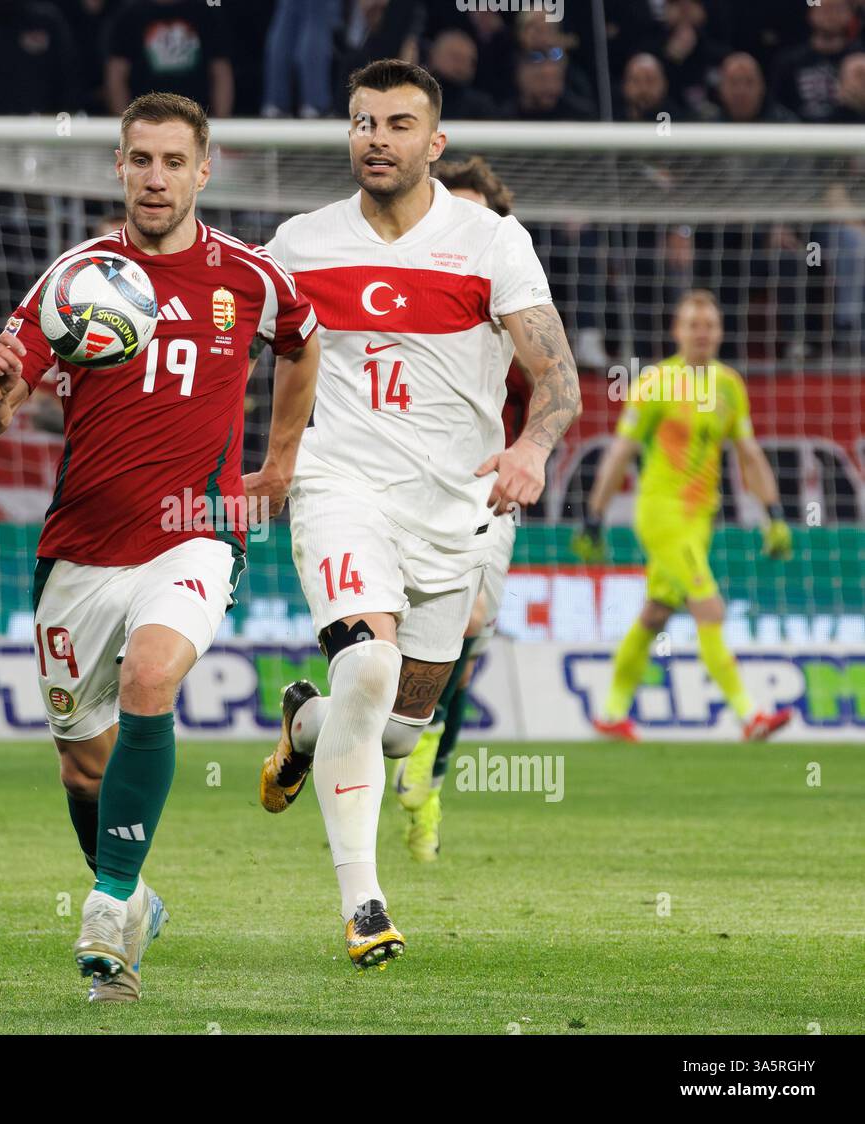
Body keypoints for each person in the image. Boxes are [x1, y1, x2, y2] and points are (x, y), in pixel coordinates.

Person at [0, 93, 319, 1002]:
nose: (156, 178)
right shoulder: (75, 278)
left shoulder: (251, 278)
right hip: (81, 546)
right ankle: (135, 897)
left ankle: (105, 909)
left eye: (173, 161)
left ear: (204, 170)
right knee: (82, 764)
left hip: (195, 532)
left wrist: (279, 464)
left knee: (151, 678)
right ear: (118, 167)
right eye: (140, 160)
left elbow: (302, 343)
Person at [256, 59, 581, 968]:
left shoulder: (492, 243)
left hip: (454, 511)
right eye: (364, 122)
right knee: (367, 666)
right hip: (341, 489)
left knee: (398, 730)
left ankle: (304, 726)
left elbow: (556, 376)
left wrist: (531, 449)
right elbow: (228, 341)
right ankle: (363, 903)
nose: (378, 139)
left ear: (434, 143)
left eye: (399, 125)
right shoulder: (300, 245)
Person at [573, 291, 794, 742]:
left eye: (709, 325)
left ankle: (611, 713)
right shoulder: (655, 383)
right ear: (677, 331)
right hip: (662, 515)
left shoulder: (729, 386)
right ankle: (750, 715)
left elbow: (749, 454)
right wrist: (594, 516)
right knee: (709, 607)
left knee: (656, 613)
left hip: (700, 519)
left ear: (720, 332)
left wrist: (773, 514)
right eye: (693, 325)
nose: (702, 333)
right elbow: (621, 453)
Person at [393, 155, 525, 862]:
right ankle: (393, 754)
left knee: (468, 624)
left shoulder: (518, 303)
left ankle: (426, 779)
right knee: (393, 641)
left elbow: (549, 386)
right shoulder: (412, 297)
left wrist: (528, 450)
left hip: (485, 487)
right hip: (401, 482)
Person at [104, 0, 233, 117]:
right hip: (145, 118)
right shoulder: (129, 14)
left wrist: (221, 123)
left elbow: (221, 72)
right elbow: (116, 76)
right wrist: (124, 125)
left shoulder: (205, 12)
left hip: (197, 119)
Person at [772, 0, 863, 123]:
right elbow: (778, 104)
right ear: (810, 13)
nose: (831, 14)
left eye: (838, 8)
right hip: (799, 130)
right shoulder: (789, 61)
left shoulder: (860, 58)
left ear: (850, 14)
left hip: (851, 129)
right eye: (824, 8)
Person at [426, 29, 497, 120]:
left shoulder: (481, 107)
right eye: (456, 58)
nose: (463, 66)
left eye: (470, 61)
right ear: (434, 56)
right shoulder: (415, 98)